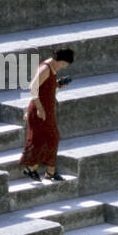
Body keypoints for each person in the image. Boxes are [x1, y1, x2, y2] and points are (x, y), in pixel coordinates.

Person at [19, 47, 74, 182]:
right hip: (40, 112)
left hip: (46, 110)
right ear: (57, 59)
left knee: (52, 139)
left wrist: (58, 84)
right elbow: (32, 87)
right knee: (47, 139)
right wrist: (38, 109)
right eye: (62, 64)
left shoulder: (51, 68)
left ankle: (49, 171)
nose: (62, 67)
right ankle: (34, 169)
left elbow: (46, 85)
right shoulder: (46, 68)